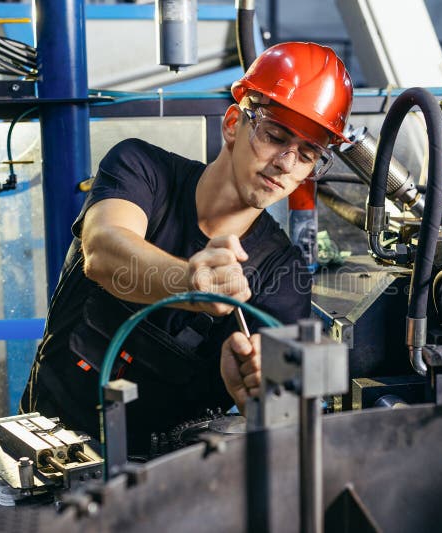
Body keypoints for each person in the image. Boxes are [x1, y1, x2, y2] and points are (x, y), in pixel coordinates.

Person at [20, 42, 353, 454]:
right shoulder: (142, 169)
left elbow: (283, 413)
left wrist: (256, 397)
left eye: (306, 155)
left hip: (168, 476)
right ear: (233, 123)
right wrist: (190, 282)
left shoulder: (281, 274)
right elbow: (103, 252)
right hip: (49, 443)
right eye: (275, 135)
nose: (286, 164)